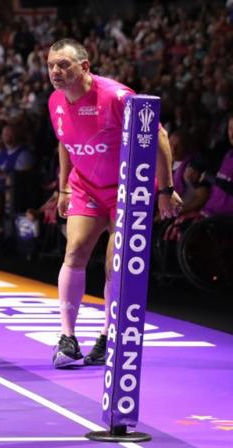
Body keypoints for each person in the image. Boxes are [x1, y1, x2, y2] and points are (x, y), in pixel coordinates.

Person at [47, 39, 182, 368]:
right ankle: (67, 338)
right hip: (86, 186)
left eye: (64, 65)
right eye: (51, 65)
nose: (55, 72)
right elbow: (65, 142)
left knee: (114, 265)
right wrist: (63, 189)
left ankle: (109, 336)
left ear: (84, 67)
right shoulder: (55, 101)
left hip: (127, 189)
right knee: (75, 251)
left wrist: (165, 189)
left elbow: (160, 137)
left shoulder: (117, 97)